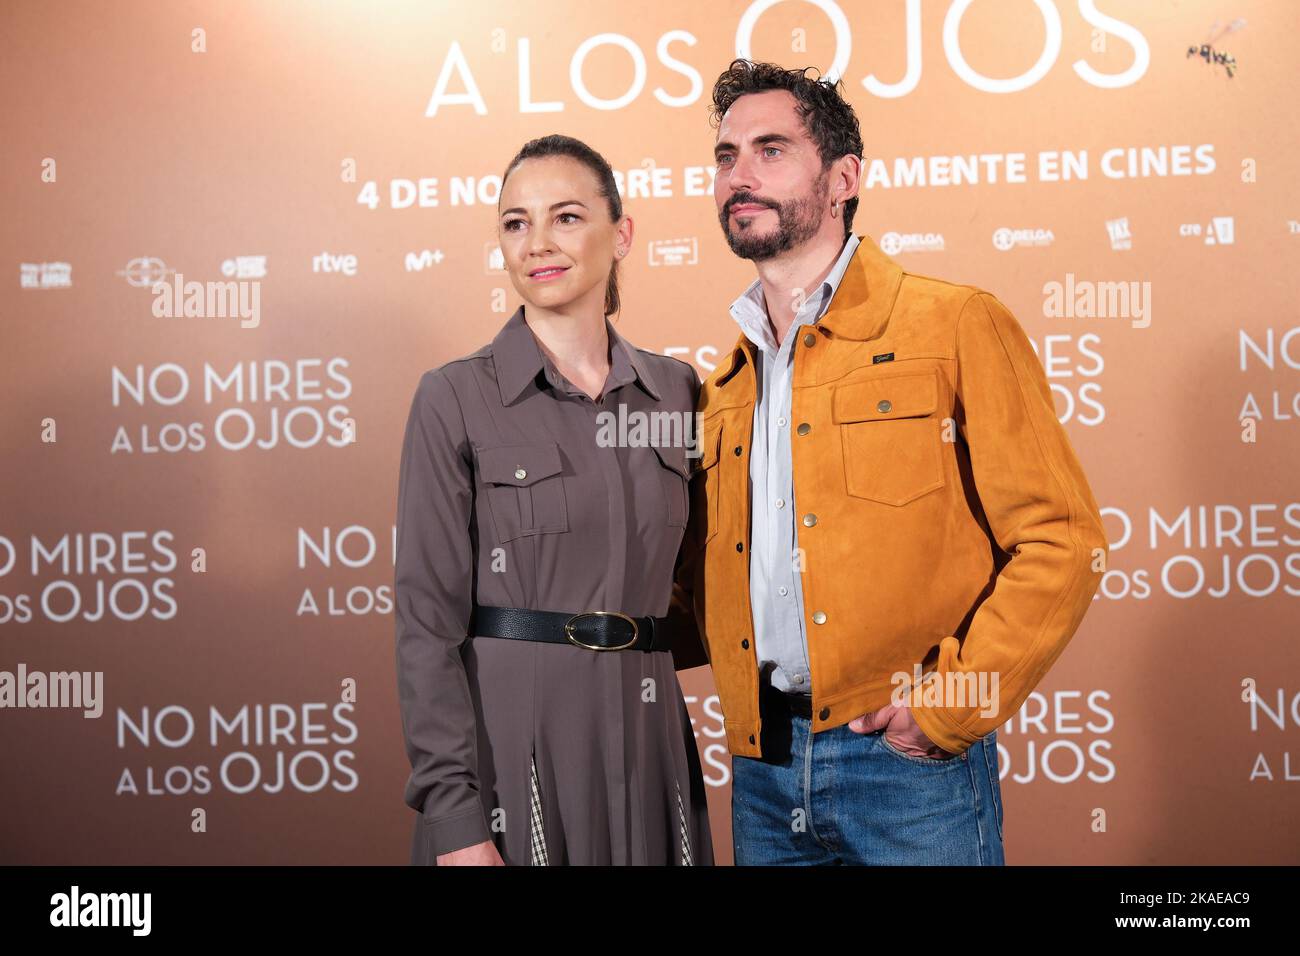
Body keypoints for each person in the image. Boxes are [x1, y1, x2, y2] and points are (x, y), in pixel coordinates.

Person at [682, 60, 1109, 865]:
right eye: (726, 155)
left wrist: (948, 710)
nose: (739, 174)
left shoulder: (953, 323)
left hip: (907, 768)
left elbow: (1062, 537)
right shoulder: (726, 383)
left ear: (843, 176)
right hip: (762, 771)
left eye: (771, 149)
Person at [393, 134, 714, 866]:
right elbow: (425, 624)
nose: (537, 242)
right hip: (514, 749)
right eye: (515, 222)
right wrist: (455, 822)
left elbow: (712, 581)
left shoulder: (678, 392)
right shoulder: (454, 397)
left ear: (621, 234)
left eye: (566, 217)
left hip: (650, 741)